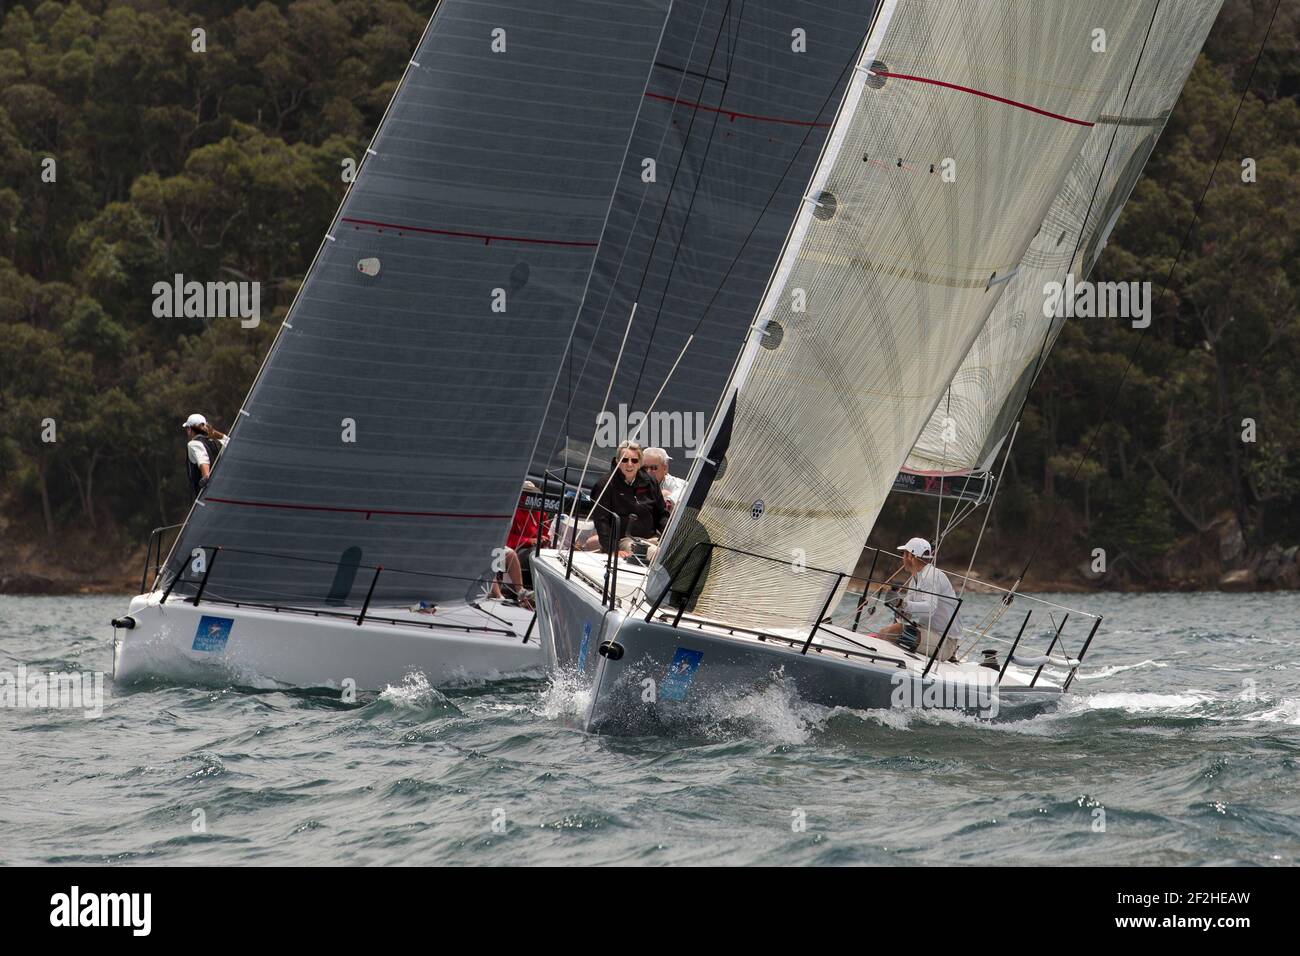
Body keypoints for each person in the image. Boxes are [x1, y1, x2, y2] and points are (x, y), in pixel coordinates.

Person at [875, 537, 964, 660]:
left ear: (911, 556)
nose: (902, 558)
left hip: (945, 643)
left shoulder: (931, 576)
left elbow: (930, 609)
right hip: (928, 632)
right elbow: (908, 611)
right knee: (886, 630)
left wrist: (902, 604)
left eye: (904, 554)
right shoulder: (915, 578)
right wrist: (898, 607)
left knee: (894, 631)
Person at [592, 440, 668, 557]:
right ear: (617, 461)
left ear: (640, 463)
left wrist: (671, 536)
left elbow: (661, 515)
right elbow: (601, 521)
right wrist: (612, 550)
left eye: (634, 460)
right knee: (657, 556)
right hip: (624, 540)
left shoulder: (650, 482)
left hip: (652, 539)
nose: (629, 464)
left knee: (675, 553)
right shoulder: (605, 484)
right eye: (624, 460)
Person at [183, 413, 228, 496]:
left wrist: (206, 476)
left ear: (189, 429)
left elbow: (203, 460)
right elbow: (227, 440)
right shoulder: (213, 441)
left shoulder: (193, 444)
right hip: (221, 490)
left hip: (206, 496)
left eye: (187, 428)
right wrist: (210, 431)